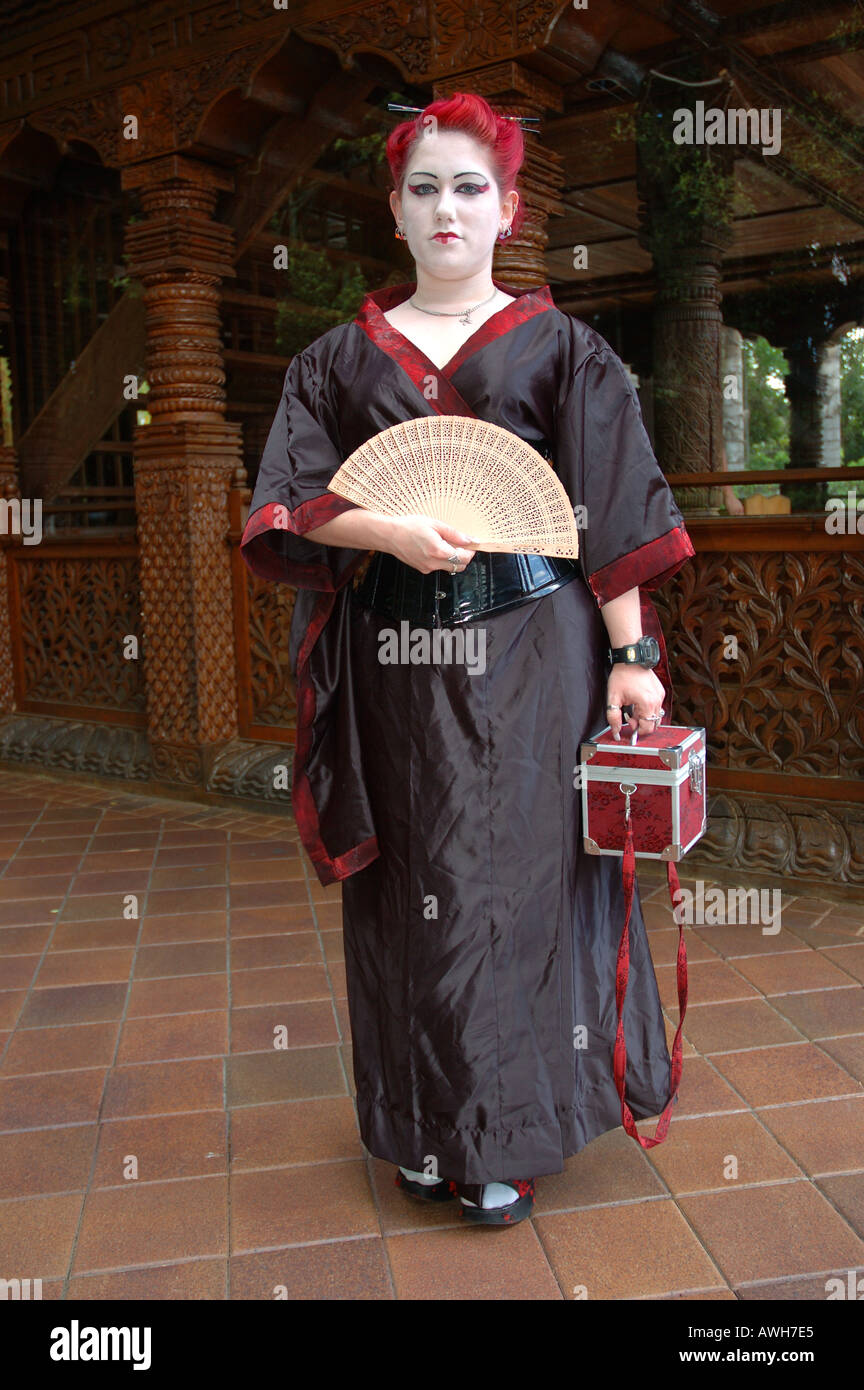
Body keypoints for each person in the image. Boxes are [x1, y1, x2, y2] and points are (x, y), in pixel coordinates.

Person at [240, 92, 695, 1228]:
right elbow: (291, 503)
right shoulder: (336, 360)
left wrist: (631, 655)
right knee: (406, 888)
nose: (449, 207)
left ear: (508, 212)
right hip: (394, 663)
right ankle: (420, 1126)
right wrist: (385, 529)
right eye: (425, 187)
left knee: (521, 886)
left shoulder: (565, 349)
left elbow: (610, 514)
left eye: (471, 186)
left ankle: (504, 1136)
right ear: (395, 213)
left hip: (537, 651)